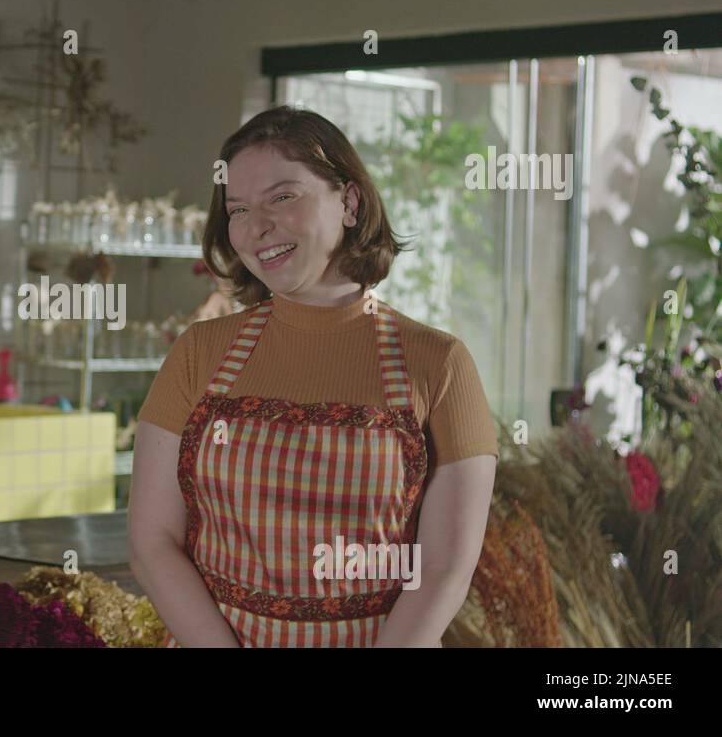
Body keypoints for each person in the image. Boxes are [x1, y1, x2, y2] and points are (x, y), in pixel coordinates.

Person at [128, 107, 498, 647]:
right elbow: (151, 543)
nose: (257, 227)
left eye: (283, 197)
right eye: (238, 209)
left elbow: (444, 570)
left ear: (349, 202)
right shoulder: (199, 352)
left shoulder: (438, 363)